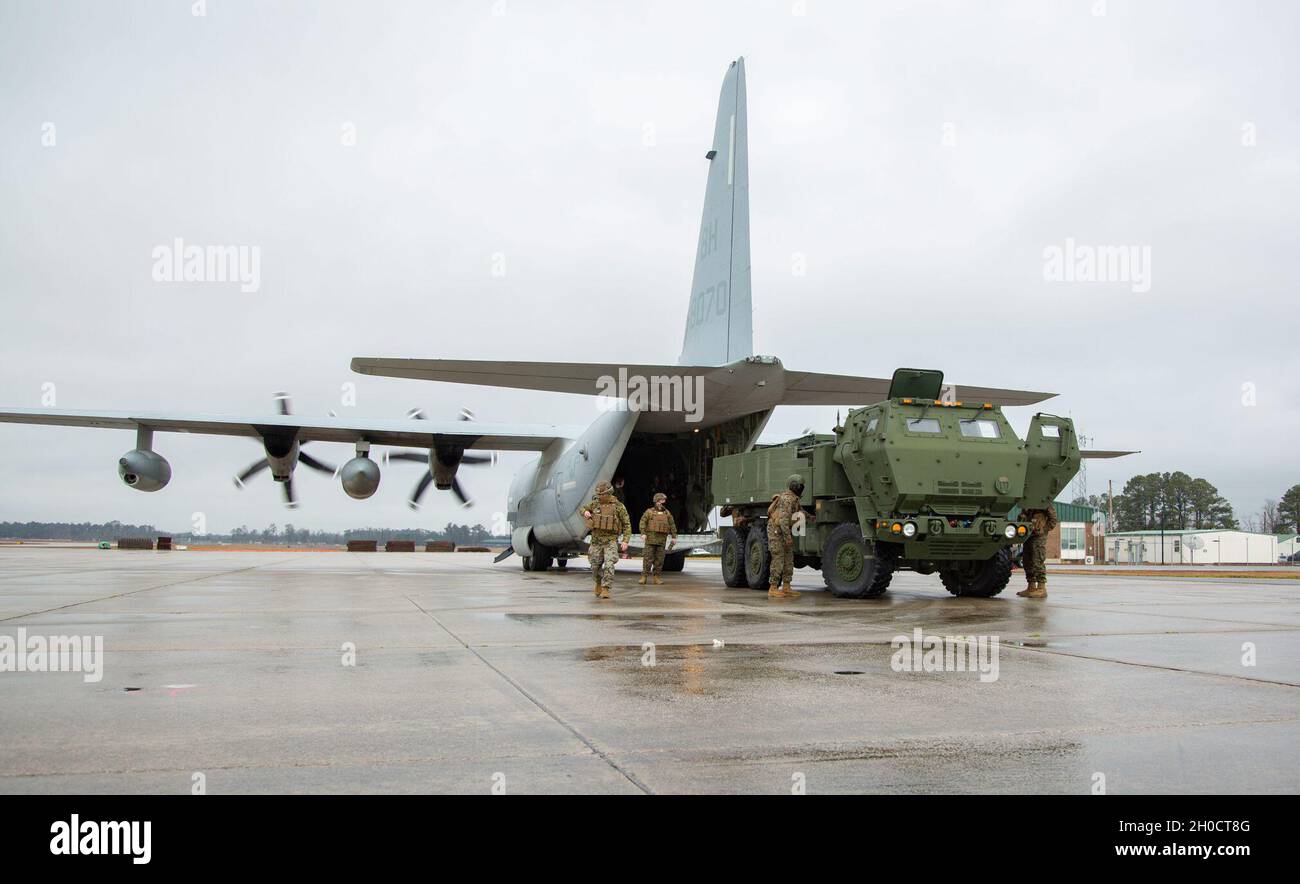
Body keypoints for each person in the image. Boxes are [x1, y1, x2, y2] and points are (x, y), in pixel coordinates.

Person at [579, 480, 630, 599]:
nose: (600, 497)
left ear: (609, 493)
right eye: (599, 495)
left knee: (609, 564)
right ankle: (598, 583)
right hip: (596, 540)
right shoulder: (594, 504)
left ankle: (606, 588)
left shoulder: (619, 507)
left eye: (602, 495)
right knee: (594, 566)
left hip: (610, 541)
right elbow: (582, 509)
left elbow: (627, 524)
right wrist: (585, 512)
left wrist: (625, 540)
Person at [767, 474, 804, 599]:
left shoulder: (794, 499)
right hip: (777, 532)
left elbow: (800, 512)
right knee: (778, 558)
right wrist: (788, 538)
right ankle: (773, 588)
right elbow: (783, 521)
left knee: (788, 559)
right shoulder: (787, 499)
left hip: (784, 531)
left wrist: (810, 517)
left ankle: (786, 587)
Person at [1017, 502, 1059, 599]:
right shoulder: (1027, 502)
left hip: (1039, 535)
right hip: (1028, 534)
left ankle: (1041, 588)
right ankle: (1031, 586)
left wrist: (1044, 529)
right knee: (1027, 560)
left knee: (1038, 559)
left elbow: (1053, 519)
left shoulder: (1043, 501)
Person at [638, 492, 677, 585]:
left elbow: (672, 525)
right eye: (661, 500)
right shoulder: (649, 512)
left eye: (664, 501)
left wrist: (674, 536)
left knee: (659, 560)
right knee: (647, 559)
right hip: (650, 540)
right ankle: (644, 576)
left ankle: (657, 577)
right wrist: (643, 533)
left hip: (661, 540)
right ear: (656, 501)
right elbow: (642, 522)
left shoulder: (667, 513)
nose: (663, 502)